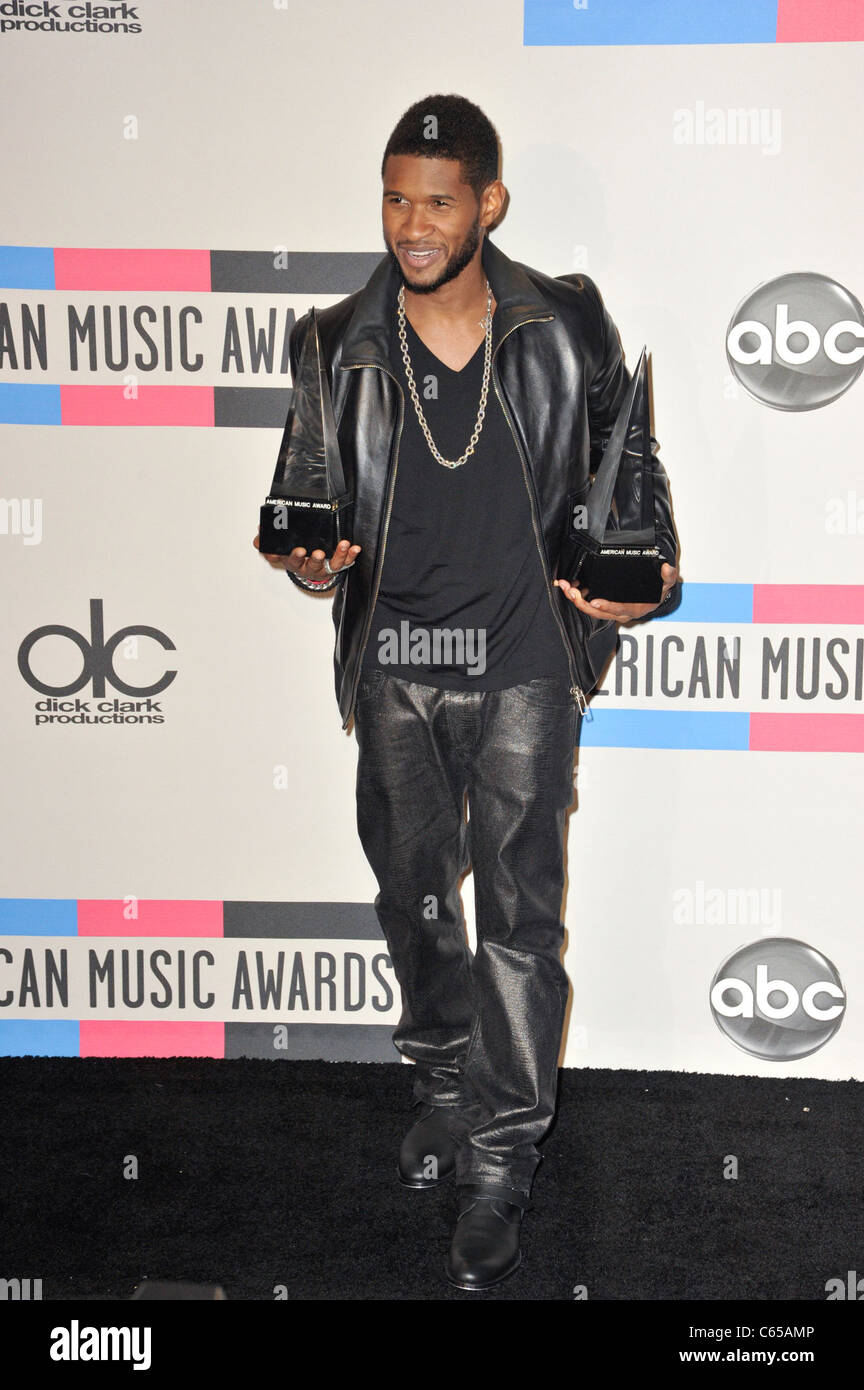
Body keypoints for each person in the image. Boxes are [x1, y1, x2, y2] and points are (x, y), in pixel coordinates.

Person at [254, 93, 680, 1292]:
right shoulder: (335, 339)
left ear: (488, 203)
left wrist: (643, 570)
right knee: (414, 902)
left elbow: (628, 457)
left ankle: (501, 1159)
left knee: (520, 927)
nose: (412, 224)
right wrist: (307, 557)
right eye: (396, 199)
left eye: (438, 201)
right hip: (395, 669)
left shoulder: (564, 320)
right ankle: (444, 1076)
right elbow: (308, 492)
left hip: (525, 668)